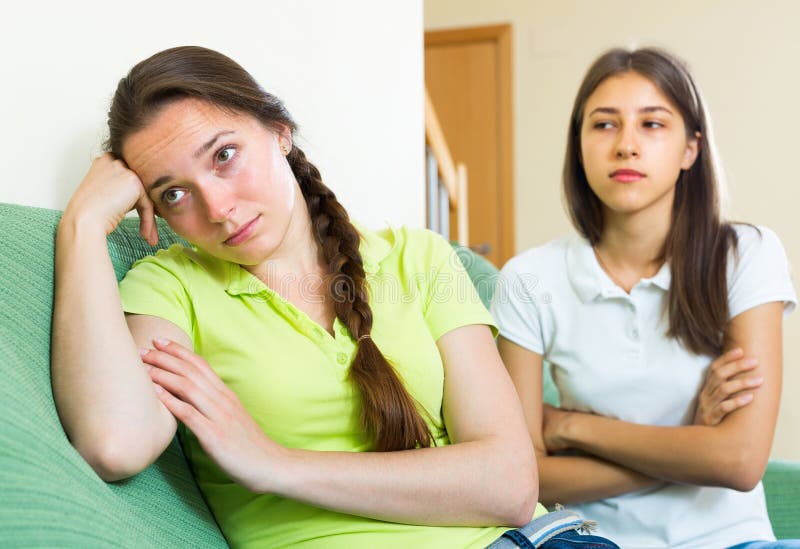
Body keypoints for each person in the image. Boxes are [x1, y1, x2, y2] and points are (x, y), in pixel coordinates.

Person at [51, 46, 619, 549]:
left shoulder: (418, 258)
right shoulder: (170, 287)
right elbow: (115, 443)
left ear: (279, 132)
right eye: (174, 194)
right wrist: (81, 225)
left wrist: (275, 465)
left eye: (224, 155)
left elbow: (511, 484)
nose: (218, 209)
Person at [491, 46, 798, 548]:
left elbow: (741, 462)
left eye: (652, 124)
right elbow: (523, 477)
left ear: (690, 149)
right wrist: (695, 446)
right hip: (590, 540)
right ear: (579, 145)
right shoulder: (528, 277)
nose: (626, 146)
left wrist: (571, 428)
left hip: (732, 540)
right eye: (604, 125)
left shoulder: (746, 254)